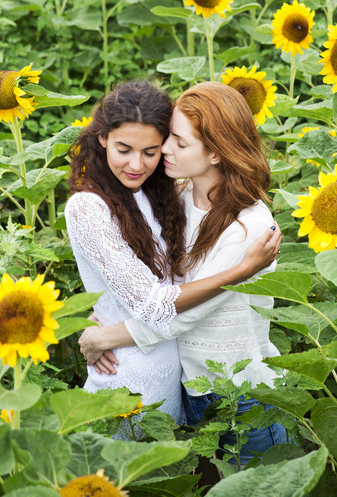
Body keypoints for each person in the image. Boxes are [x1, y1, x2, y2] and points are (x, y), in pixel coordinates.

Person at [78, 81, 288, 466]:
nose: (164, 150)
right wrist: (107, 309)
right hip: (192, 389)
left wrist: (105, 335)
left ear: (216, 154)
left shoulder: (251, 227)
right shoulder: (176, 198)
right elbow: (155, 279)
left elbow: (181, 315)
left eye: (178, 142)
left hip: (244, 395)